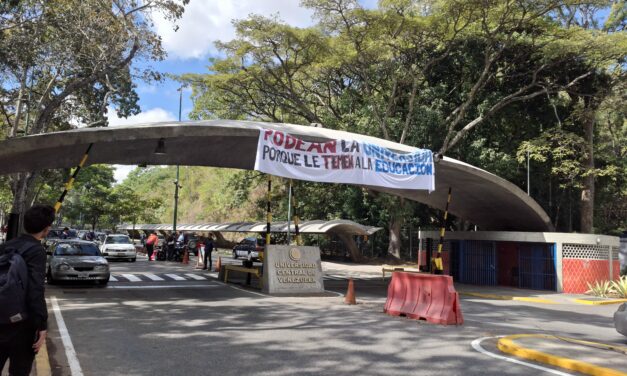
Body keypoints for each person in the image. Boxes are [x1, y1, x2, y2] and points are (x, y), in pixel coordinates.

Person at [0, 205, 55, 376]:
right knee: (19, 371)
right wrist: (42, 325)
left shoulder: (5, 246)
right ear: (46, 229)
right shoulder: (37, 251)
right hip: (22, 325)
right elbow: (35, 291)